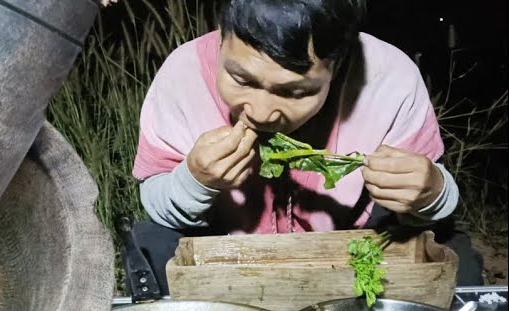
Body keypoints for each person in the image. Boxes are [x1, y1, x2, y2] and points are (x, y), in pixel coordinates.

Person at [129, 0, 482, 293]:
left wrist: (431, 193)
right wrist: (195, 182)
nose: (261, 113)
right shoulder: (183, 73)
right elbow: (157, 202)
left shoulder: (390, 77)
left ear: (338, 64)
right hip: (226, 250)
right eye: (241, 79)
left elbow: (437, 206)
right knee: (150, 242)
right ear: (222, 36)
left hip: (347, 246)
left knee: (452, 254)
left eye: (295, 91)